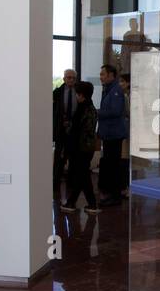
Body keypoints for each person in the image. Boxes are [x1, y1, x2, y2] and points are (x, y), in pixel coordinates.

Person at [60, 81, 99, 214]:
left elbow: (82, 131)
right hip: (82, 148)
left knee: (83, 176)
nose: (76, 96)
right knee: (81, 175)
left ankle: (90, 204)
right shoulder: (87, 108)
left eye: (77, 94)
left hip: (81, 149)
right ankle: (75, 202)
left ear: (81, 95)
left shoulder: (86, 109)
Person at [97, 64, 128, 206]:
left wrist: (98, 113)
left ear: (111, 75)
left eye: (103, 74)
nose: (101, 77)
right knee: (109, 164)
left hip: (114, 134)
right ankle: (111, 193)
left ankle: (115, 196)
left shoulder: (115, 91)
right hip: (109, 133)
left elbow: (115, 111)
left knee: (113, 165)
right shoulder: (108, 89)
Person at [52, 68, 78, 198]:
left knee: (73, 158)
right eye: (69, 77)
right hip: (61, 131)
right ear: (64, 79)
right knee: (59, 159)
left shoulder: (79, 92)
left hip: (74, 132)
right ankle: (55, 184)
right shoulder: (57, 92)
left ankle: (71, 184)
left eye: (73, 78)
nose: (71, 80)